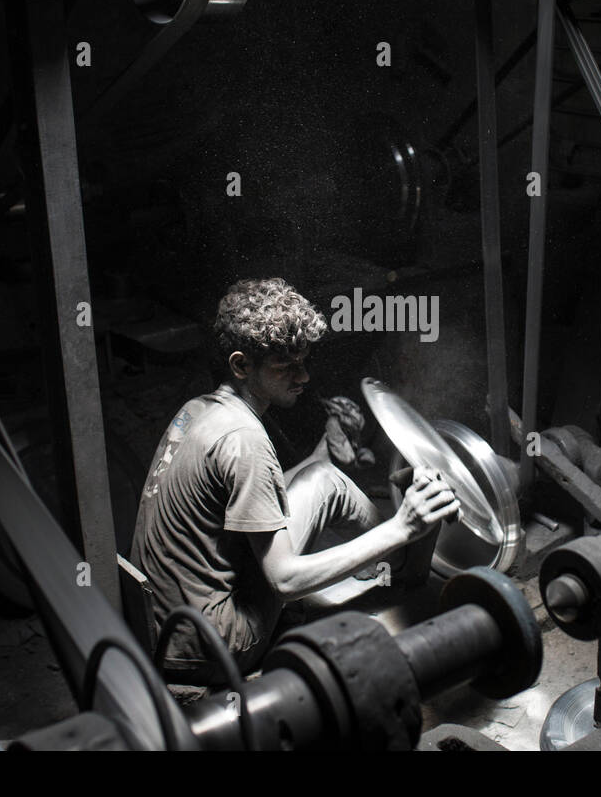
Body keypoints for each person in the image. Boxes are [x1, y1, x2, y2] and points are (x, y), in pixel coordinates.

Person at [130, 277, 458, 693]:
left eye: (304, 361)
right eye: (287, 366)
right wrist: (402, 527)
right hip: (216, 644)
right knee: (327, 487)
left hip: (166, 632)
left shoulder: (199, 411)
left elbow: (254, 498)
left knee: (322, 476)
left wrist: (323, 452)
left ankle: (397, 560)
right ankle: (405, 562)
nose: (303, 377)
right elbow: (283, 580)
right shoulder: (245, 440)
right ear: (241, 365)